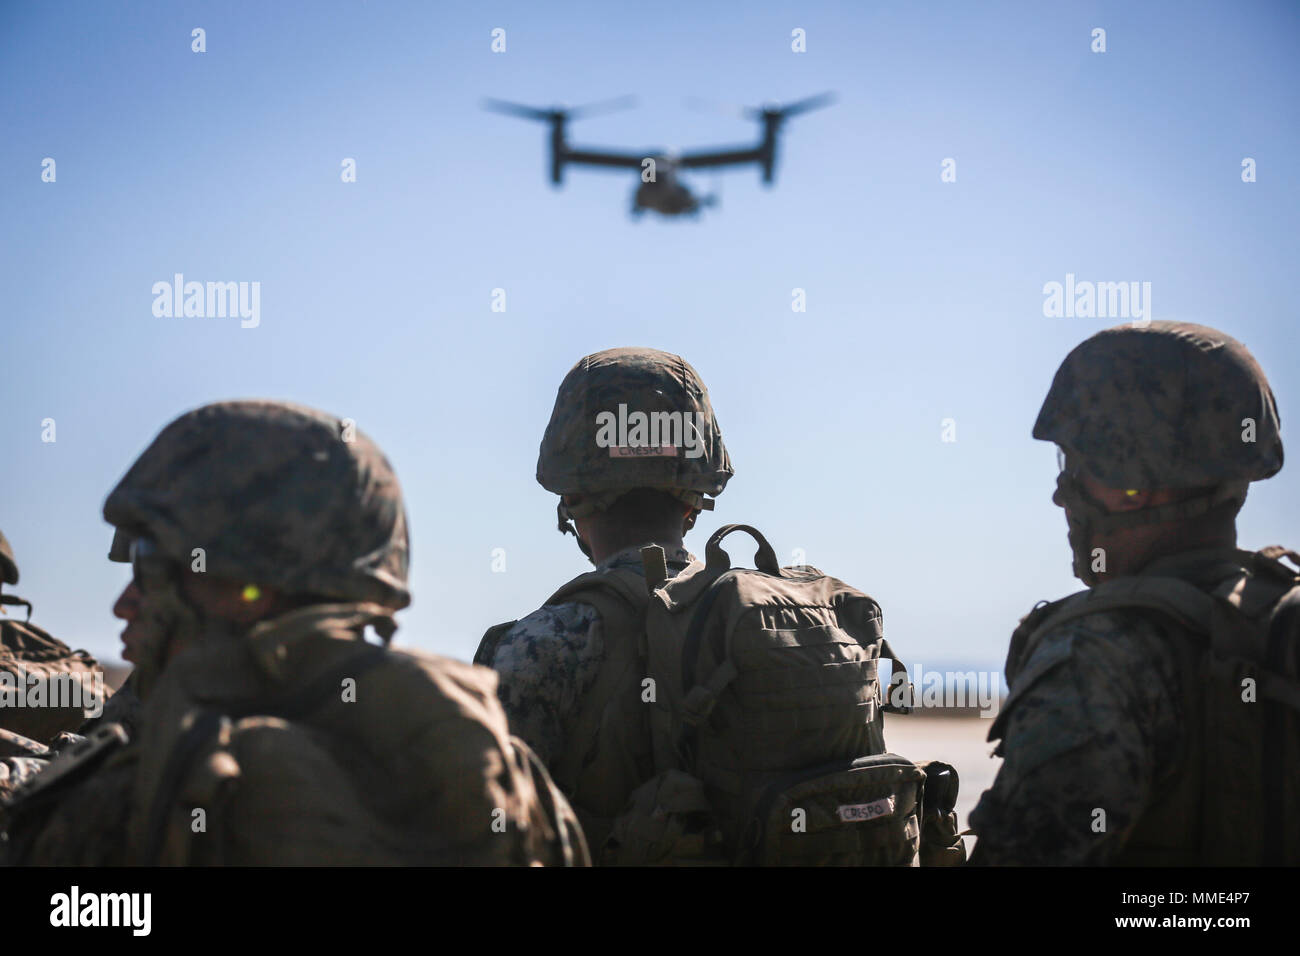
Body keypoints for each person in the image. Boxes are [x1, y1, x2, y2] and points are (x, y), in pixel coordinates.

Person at [4, 400, 586, 866]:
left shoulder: (149, 796)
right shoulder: (515, 789)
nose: (124, 603)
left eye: (152, 568)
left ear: (244, 585)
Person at [970, 321, 1299, 865]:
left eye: (1076, 465)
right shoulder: (1274, 624)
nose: (1061, 494)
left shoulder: (1099, 658)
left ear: (1132, 487)